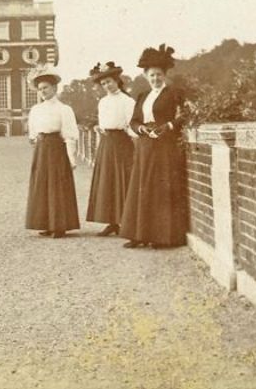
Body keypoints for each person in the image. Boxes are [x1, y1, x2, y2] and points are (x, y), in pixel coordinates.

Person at [119, 44, 188, 249]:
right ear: (146, 76)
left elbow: (184, 116)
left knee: (160, 188)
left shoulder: (174, 94)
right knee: (142, 188)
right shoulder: (142, 96)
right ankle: (139, 234)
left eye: (158, 75)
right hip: (145, 146)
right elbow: (133, 121)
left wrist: (167, 126)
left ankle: (162, 236)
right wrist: (141, 129)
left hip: (165, 146)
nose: (155, 79)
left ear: (164, 75)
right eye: (151, 75)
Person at [25, 64, 80, 239]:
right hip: (42, 149)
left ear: (54, 88)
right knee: (42, 185)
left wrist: (71, 158)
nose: (43, 91)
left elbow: (69, 135)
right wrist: (36, 144)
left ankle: (59, 226)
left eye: (46, 88)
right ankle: (45, 223)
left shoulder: (64, 109)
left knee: (57, 186)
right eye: (40, 89)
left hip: (57, 148)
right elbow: (33, 133)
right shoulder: (35, 110)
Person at [85, 61, 136, 237]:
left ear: (117, 80)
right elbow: (103, 121)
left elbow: (131, 125)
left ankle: (125, 221)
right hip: (106, 143)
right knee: (108, 181)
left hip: (122, 142)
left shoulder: (128, 101)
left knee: (122, 180)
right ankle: (111, 222)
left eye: (109, 82)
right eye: (103, 83)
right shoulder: (103, 102)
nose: (107, 86)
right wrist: (99, 128)